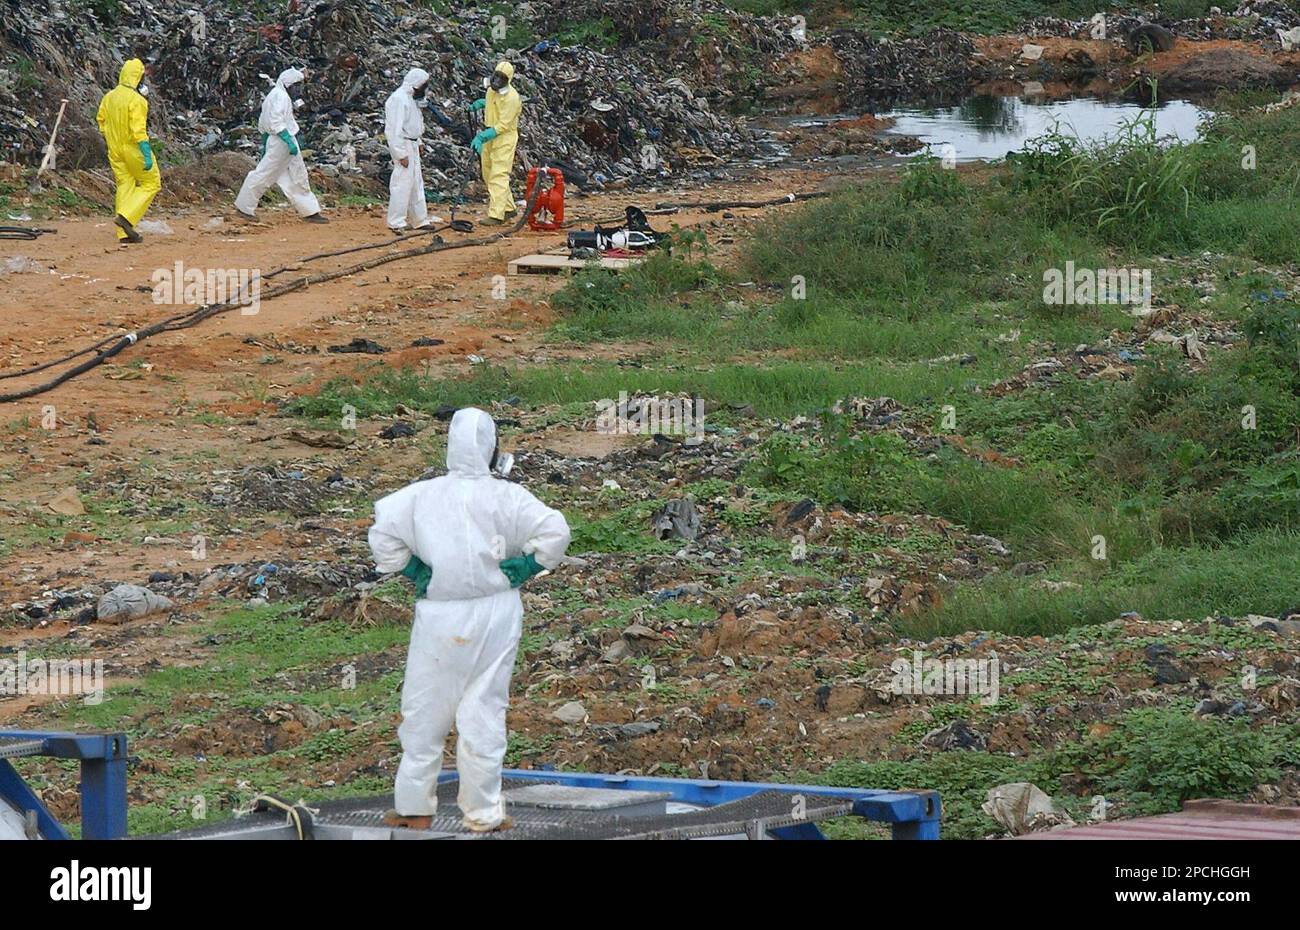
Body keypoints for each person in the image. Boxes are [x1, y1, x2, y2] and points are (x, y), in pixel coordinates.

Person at [368, 407, 570, 832]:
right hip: (498, 610)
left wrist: (412, 570)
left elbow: (383, 533)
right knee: (484, 708)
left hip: (441, 613)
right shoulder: (510, 497)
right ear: (490, 447)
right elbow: (556, 531)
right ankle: (483, 813)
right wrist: (529, 567)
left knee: (424, 709)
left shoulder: (420, 496)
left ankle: (414, 809)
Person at [234, 68, 327, 223]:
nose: (297, 90)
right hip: (281, 141)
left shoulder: (277, 95)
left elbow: (263, 121)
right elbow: (274, 121)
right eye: (295, 86)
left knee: (298, 175)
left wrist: (270, 142)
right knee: (264, 173)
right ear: (287, 84)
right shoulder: (281, 96)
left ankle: (309, 211)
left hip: (284, 139)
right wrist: (287, 139)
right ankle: (244, 208)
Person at [95, 58, 161, 244]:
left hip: (114, 149)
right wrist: (146, 153)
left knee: (125, 184)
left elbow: (101, 121)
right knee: (151, 183)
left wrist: (110, 137)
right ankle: (126, 217)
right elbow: (138, 130)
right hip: (133, 149)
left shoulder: (109, 97)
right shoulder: (137, 100)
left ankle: (123, 233)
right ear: (138, 77)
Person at [469, 61, 521, 226]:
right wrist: (481, 103)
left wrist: (482, 137)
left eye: (502, 78)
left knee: (499, 174)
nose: (497, 81)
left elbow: (503, 125)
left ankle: (496, 215)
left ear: (508, 80)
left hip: (503, 137)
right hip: (489, 134)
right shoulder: (492, 90)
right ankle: (508, 207)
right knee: (488, 173)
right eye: (496, 76)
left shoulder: (512, 98)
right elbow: (494, 102)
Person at [384, 67, 434, 233]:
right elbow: (393, 130)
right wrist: (400, 153)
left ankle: (419, 219)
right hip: (403, 144)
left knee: (416, 184)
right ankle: (396, 221)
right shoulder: (399, 100)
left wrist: (419, 142)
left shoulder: (411, 99)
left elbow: (413, 124)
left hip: (411, 143)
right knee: (402, 184)